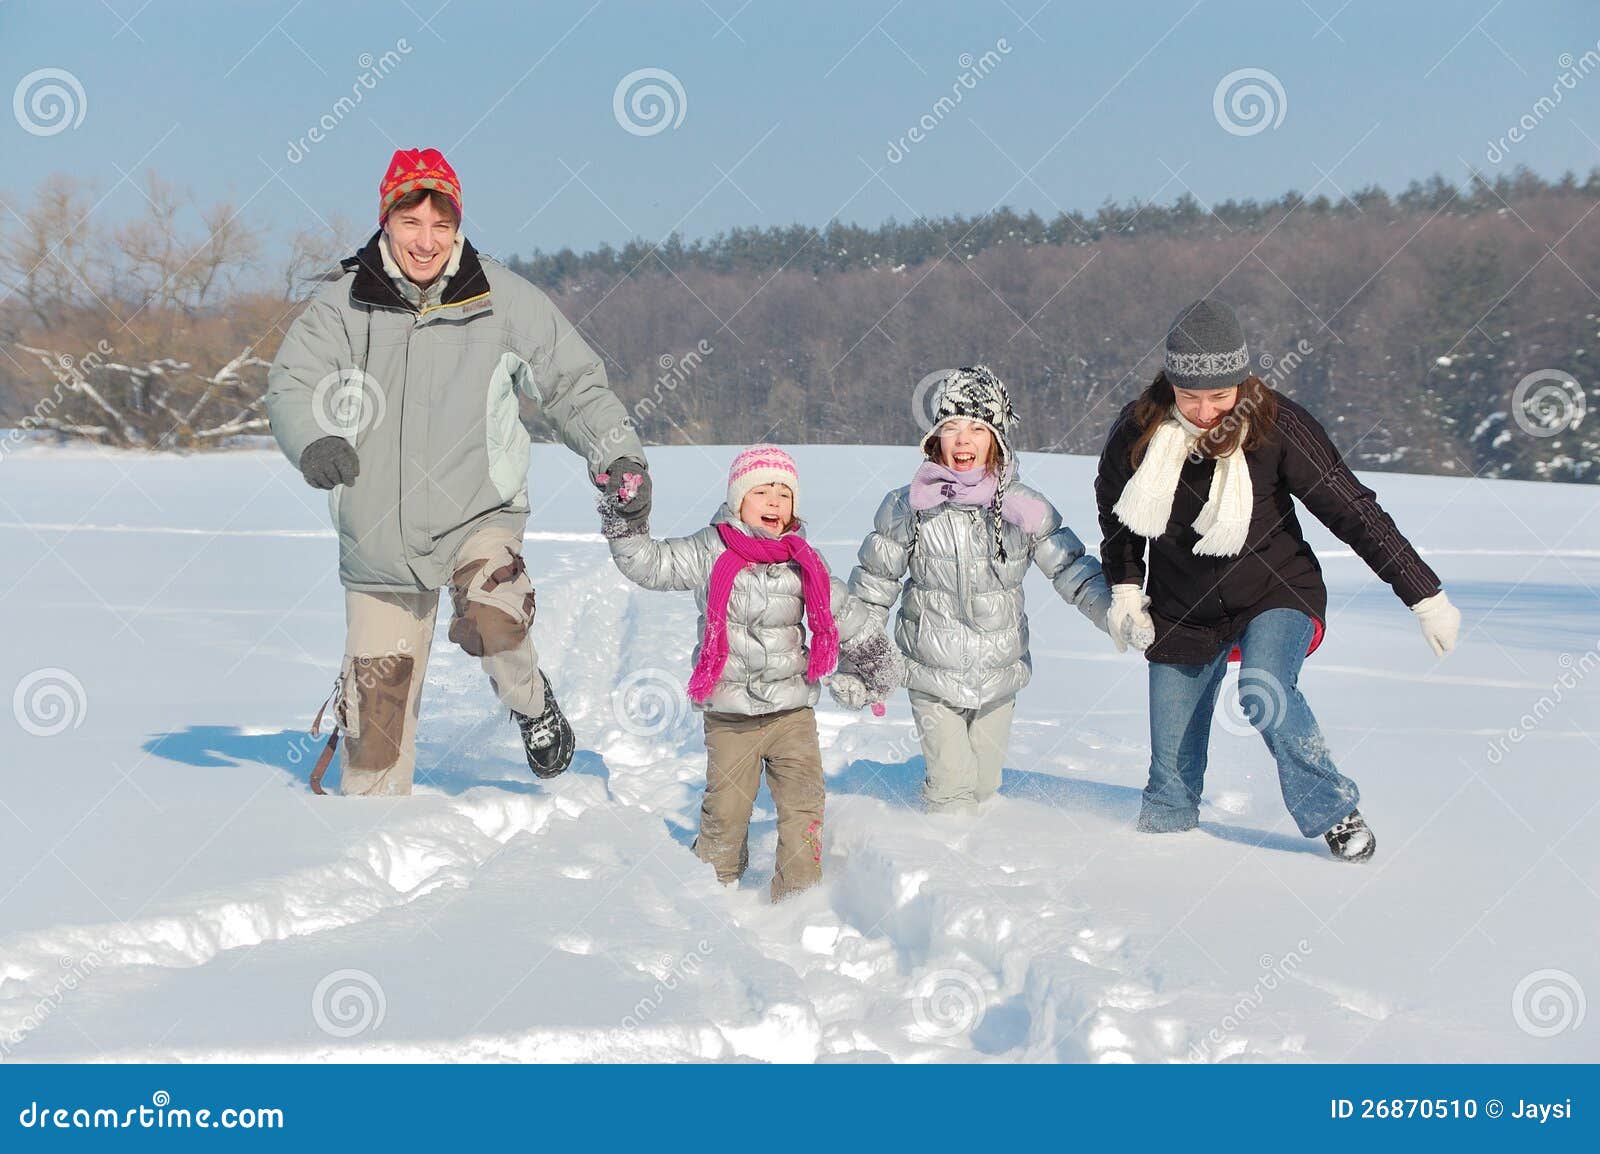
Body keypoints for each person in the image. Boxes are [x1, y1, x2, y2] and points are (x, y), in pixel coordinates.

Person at [265, 147, 650, 795]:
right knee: (375, 731)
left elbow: (572, 383)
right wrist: (312, 442)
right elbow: (292, 384)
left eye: (441, 225)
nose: (426, 240)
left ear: (457, 226)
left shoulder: (500, 299)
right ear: (386, 220)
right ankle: (368, 855)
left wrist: (616, 454)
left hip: (480, 509)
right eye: (411, 222)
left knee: (495, 620)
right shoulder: (347, 303)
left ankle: (533, 706)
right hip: (380, 522)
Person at [1095, 298, 1463, 861]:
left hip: (1275, 589)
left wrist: (1424, 594)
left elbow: (1353, 510)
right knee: (1168, 791)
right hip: (1182, 604)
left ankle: (1333, 811)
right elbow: (1117, 514)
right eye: (1190, 396)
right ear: (1169, 383)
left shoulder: (1276, 425)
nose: (1205, 412)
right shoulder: (1137, 430)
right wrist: (1124, 585)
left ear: (1241, 382)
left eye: (1219, 396)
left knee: (1262, 690)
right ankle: (1164, 861)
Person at [600, 446, 901, 900]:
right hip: (730, 716)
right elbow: (650, 564)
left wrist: (876, 664)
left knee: (804, 805)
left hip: (792, 714)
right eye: (762, 491)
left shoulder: (803, 560)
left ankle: (799, 894)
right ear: (738, 499)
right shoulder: (710, 548)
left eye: (784, 493)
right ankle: (713, 883)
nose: (775, 501)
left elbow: (846, 613)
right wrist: (627, 518)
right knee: (727, 809)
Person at [847, 367, 1113, 814]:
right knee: (954, 790)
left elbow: (1070, 567)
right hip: (930, 670)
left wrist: (1113, 611)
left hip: (999, 673)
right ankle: (937, 866)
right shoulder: (908, 505)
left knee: (985, 785)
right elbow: (874, 586)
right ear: (935, 439)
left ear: (997, 439)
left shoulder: (1023, 507)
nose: (963, 440)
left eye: (977, 428)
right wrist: (860, 664)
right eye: (951, 428)